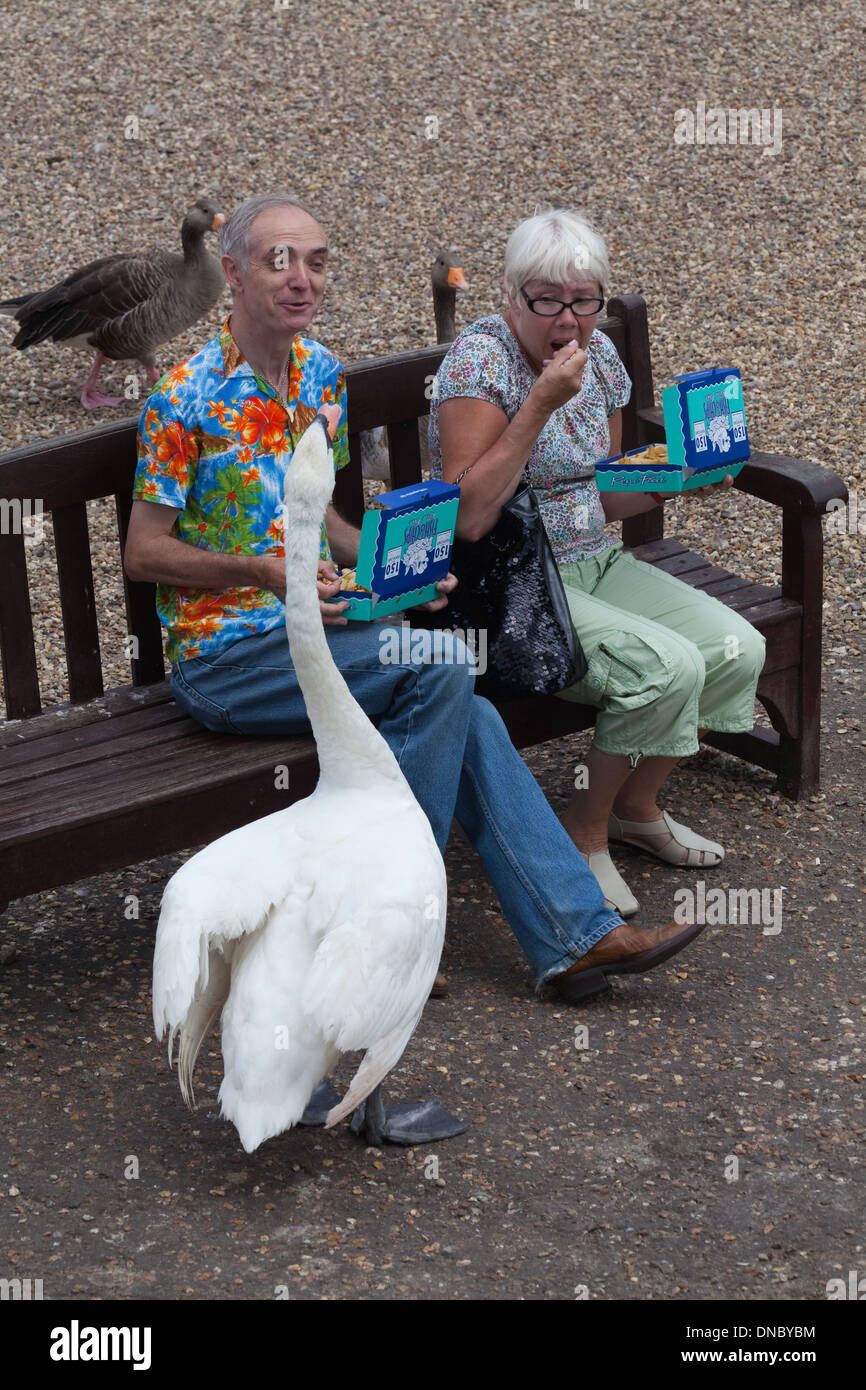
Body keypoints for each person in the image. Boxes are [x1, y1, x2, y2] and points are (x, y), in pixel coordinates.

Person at [123, 191, 703, 1005]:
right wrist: (264, 572)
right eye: (278, 260)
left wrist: (398, 566)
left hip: (323, 633)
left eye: (318, 262)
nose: (302, 279)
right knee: (439, 669)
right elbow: (144, 552)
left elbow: (318, 516)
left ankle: (573, 940)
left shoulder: (318, 376)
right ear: (232, 273)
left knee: (464, 704)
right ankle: (396, 933)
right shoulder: (183, 397)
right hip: (227, 657)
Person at [430, 206, 765, 917]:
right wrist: (540, 404)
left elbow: (603, 493)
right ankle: (583, 836)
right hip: (512, 582)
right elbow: (468, 516)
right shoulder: (478, 364)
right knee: (665, 667)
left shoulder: (601, 356)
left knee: (736, 649)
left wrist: (677, 478)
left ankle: (635, 808)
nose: (568, 319)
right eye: (546, 299)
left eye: (584, 301)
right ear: (511, 297)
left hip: (592, 560)